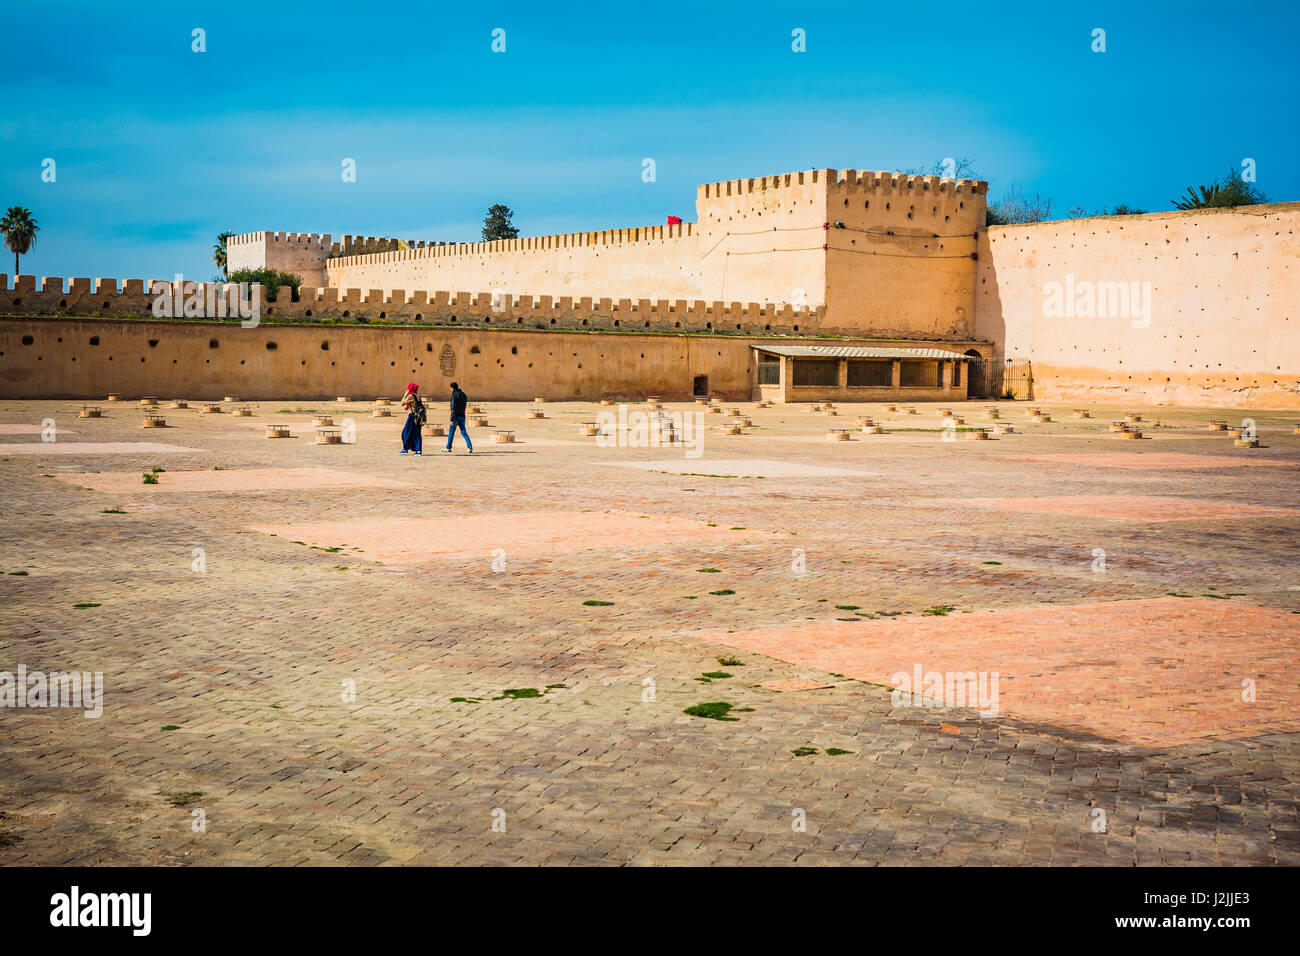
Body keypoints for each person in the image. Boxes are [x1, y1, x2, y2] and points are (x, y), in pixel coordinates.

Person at [446, 381, 473, 454]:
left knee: (451, 432)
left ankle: (448, 447)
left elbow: (453, 408)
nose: (450, 389)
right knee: (464, 432)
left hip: (455, 417)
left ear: (452, 388)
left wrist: (452, 419)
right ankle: (469, 447)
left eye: (450, 388)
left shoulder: (454, 396)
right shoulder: (463, 395)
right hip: (462, 416)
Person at [398, 382, 424, 455]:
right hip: (419, 416)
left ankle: (405, 449)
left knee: (405, 432)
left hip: (412, 416)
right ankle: (418, 450)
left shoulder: (411, 396)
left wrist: (404, 395)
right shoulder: (418, 395)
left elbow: (402, 403)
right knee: (417, 433)